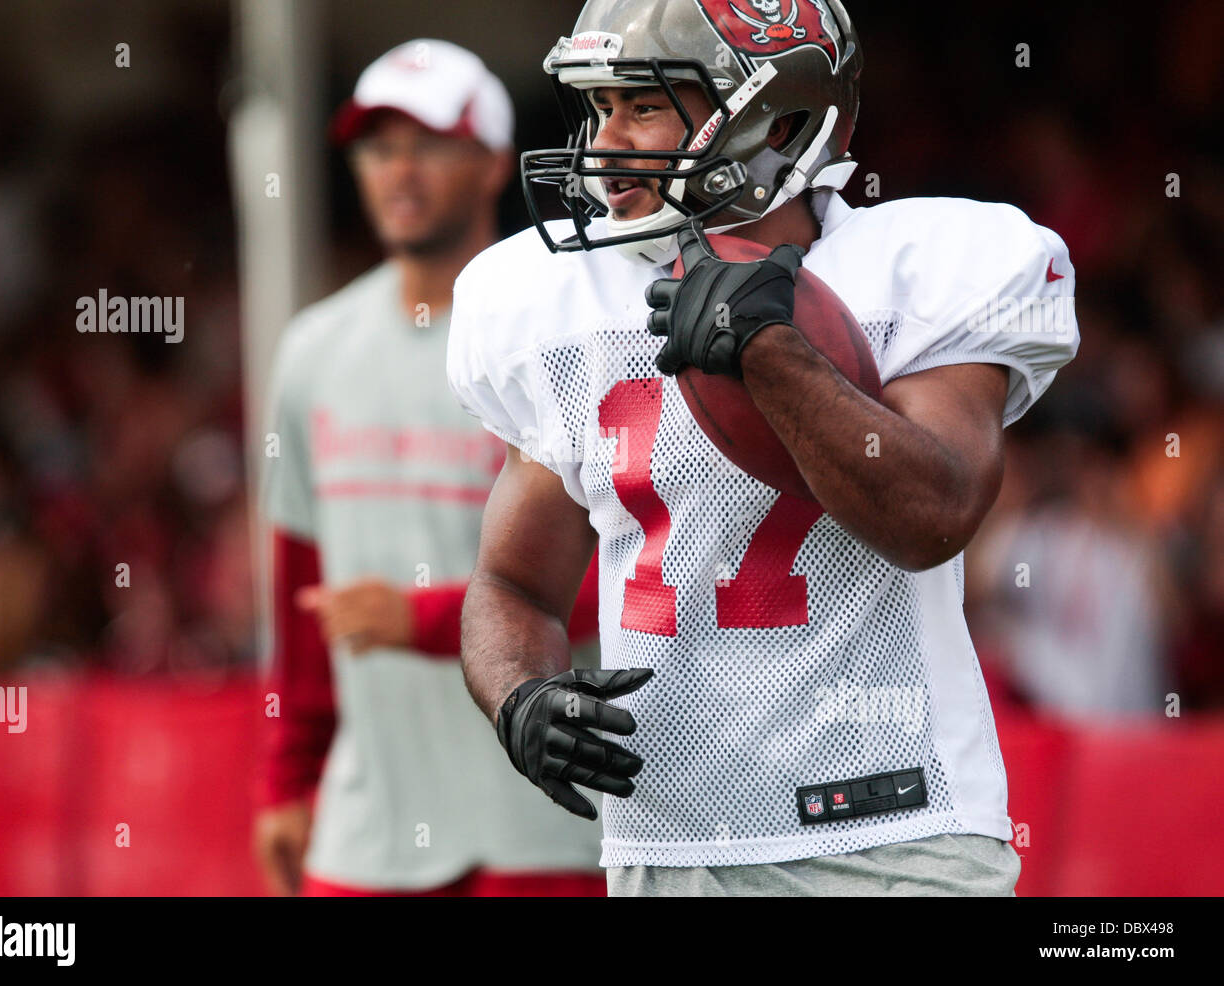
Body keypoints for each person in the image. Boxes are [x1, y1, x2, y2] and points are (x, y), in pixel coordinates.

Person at [447, 0, 1080, 897]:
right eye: (597, 109)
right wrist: (519, 696)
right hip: (670, 848)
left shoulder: (915, 271)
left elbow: (932, 515)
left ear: (775, 121)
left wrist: (771, 350)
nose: (605, 143)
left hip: (897, 832)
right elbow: (512, 584)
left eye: (642, 105)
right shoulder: (559, 304)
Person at [254, 39, 603, 897]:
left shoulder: (564, 335)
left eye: (430, 145)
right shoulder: (312, 351)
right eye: (378, 147)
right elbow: (302, 595)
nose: (399, 171)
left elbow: (625, 565)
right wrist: (288, 782)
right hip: (367, 834)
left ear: (491, 164)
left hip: (545, 823)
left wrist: (420, 619)